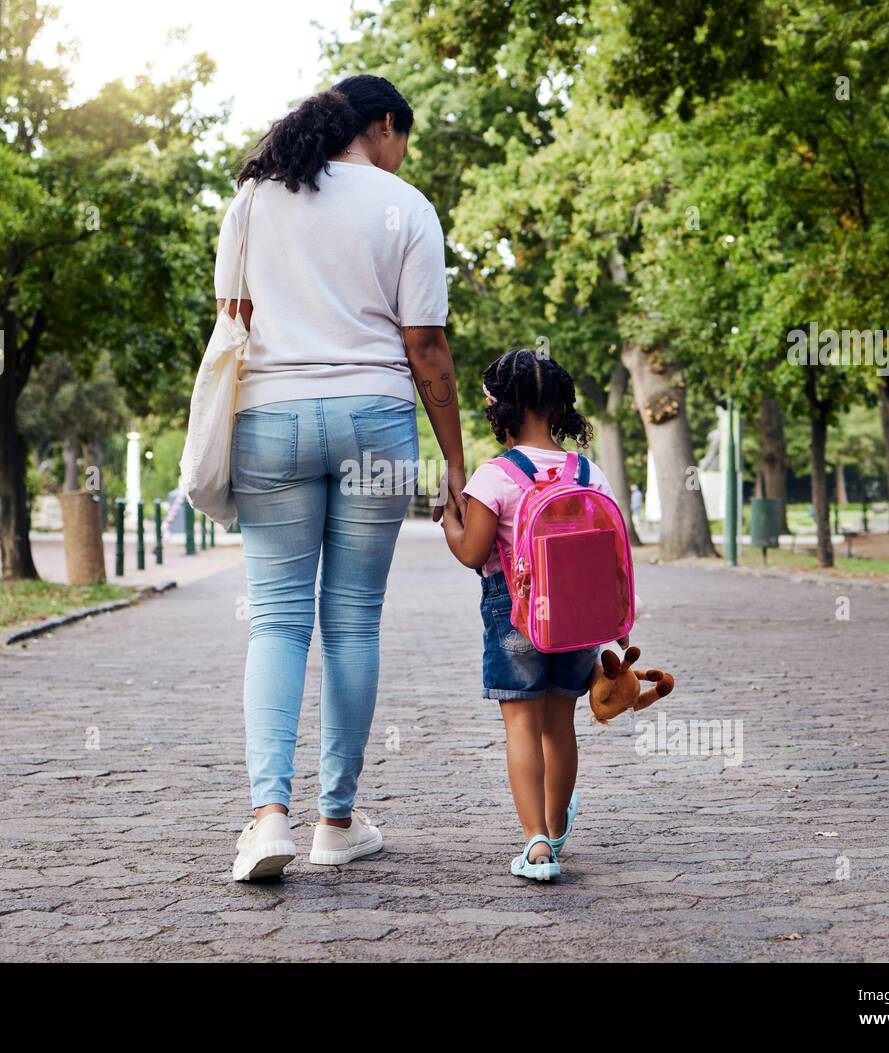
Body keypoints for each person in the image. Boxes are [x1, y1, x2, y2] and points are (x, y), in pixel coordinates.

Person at [219, 74, 466, 882]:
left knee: (277, 622)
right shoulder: (406, 208)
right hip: (373, 420)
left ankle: (266, 820)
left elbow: (237, 324)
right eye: (404, 141)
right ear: (385, 126)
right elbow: (426, 345)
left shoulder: (254, 200)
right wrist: (456, 461)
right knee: (353, 622)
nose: (401, 157)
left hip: (273, 421)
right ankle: (336, 819)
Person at [439, 348, 615, 881]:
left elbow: (473, 552)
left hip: (513, 614)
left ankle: (535, 843)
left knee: (521, 725)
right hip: (576, 617)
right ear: (562, 408)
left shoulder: (496, 475)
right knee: (560, 725)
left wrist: (448, 521)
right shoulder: (588, 471)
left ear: (500, 411)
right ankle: (558, 829)